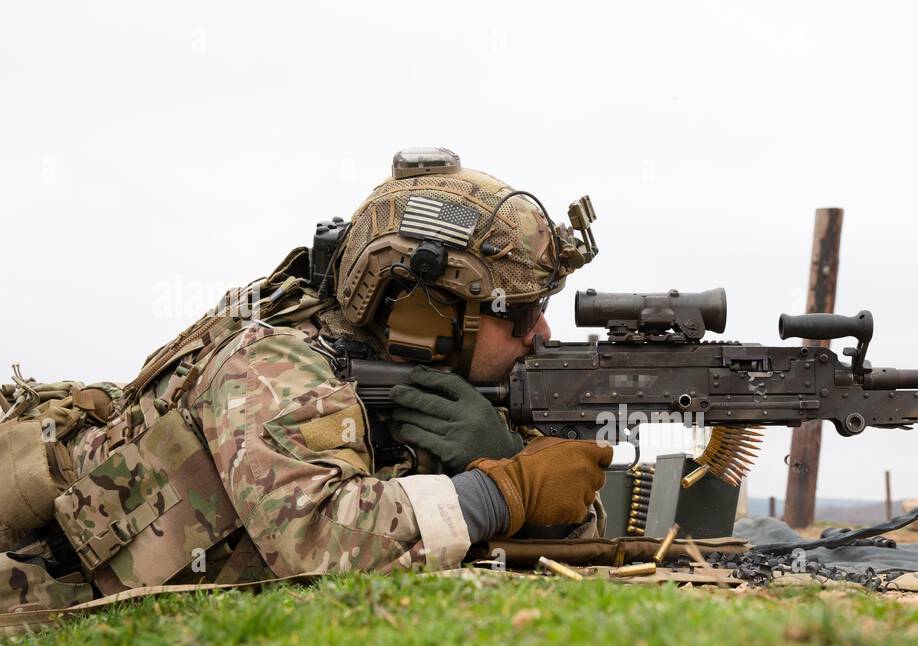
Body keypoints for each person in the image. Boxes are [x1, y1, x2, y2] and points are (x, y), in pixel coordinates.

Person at [0, 148, 611, 613]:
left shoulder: (452, 378)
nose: (543, 333)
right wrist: (501, 491)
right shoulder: (272, 365)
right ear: (428, 307)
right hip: (40, 594)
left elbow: (571, 554)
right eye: (522, 311)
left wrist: (519, 476)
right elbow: (320, 541)